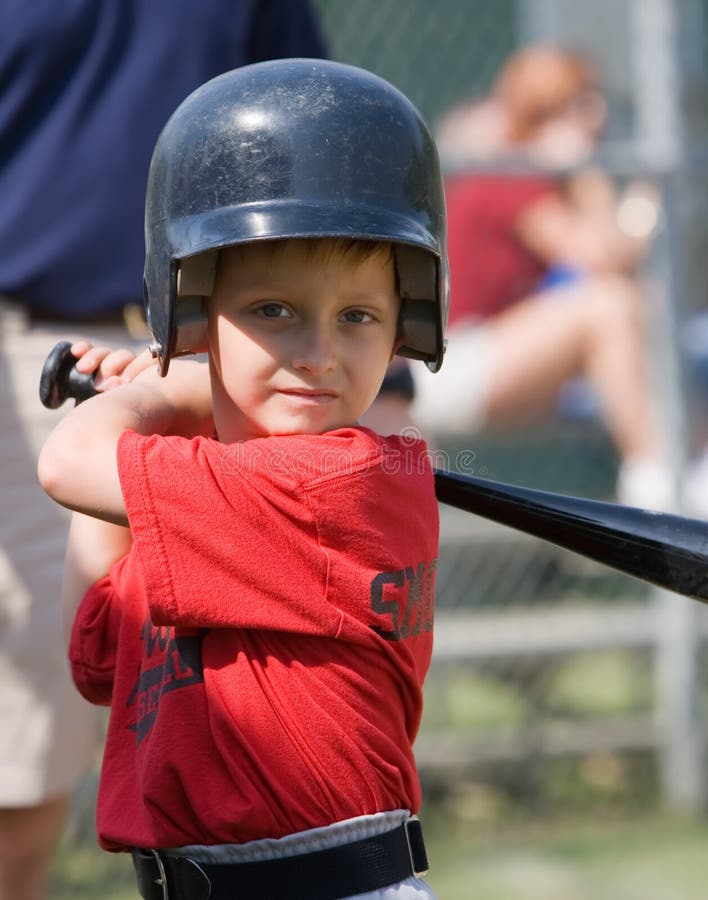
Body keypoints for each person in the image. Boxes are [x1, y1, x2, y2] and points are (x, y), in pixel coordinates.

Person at [37, 59, 446, 899]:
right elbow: (100, 647)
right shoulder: (222, 495)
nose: (319, 352)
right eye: (273, 311)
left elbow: (68, 463)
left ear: (401, 328)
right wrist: (156, 413)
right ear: (192, 315)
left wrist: (164, 392)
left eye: (357, 317)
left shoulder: (346, 482)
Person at [0, 3, 326, 898]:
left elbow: (309, 127)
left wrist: (380, 380)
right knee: (24, 770)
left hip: (192, 347)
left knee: (50, 771)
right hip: (73, 365)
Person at [411, 44, 676, 511]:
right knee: (607, 306)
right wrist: (590, 173)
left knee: (639, 308)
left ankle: (684, 465)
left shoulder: (535, 172)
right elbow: (604, 256)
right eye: (580, 101)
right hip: (451, 366)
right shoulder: (512, 171)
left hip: (493, 356)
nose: (597, 112)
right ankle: (657, 477)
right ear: (544, 111)